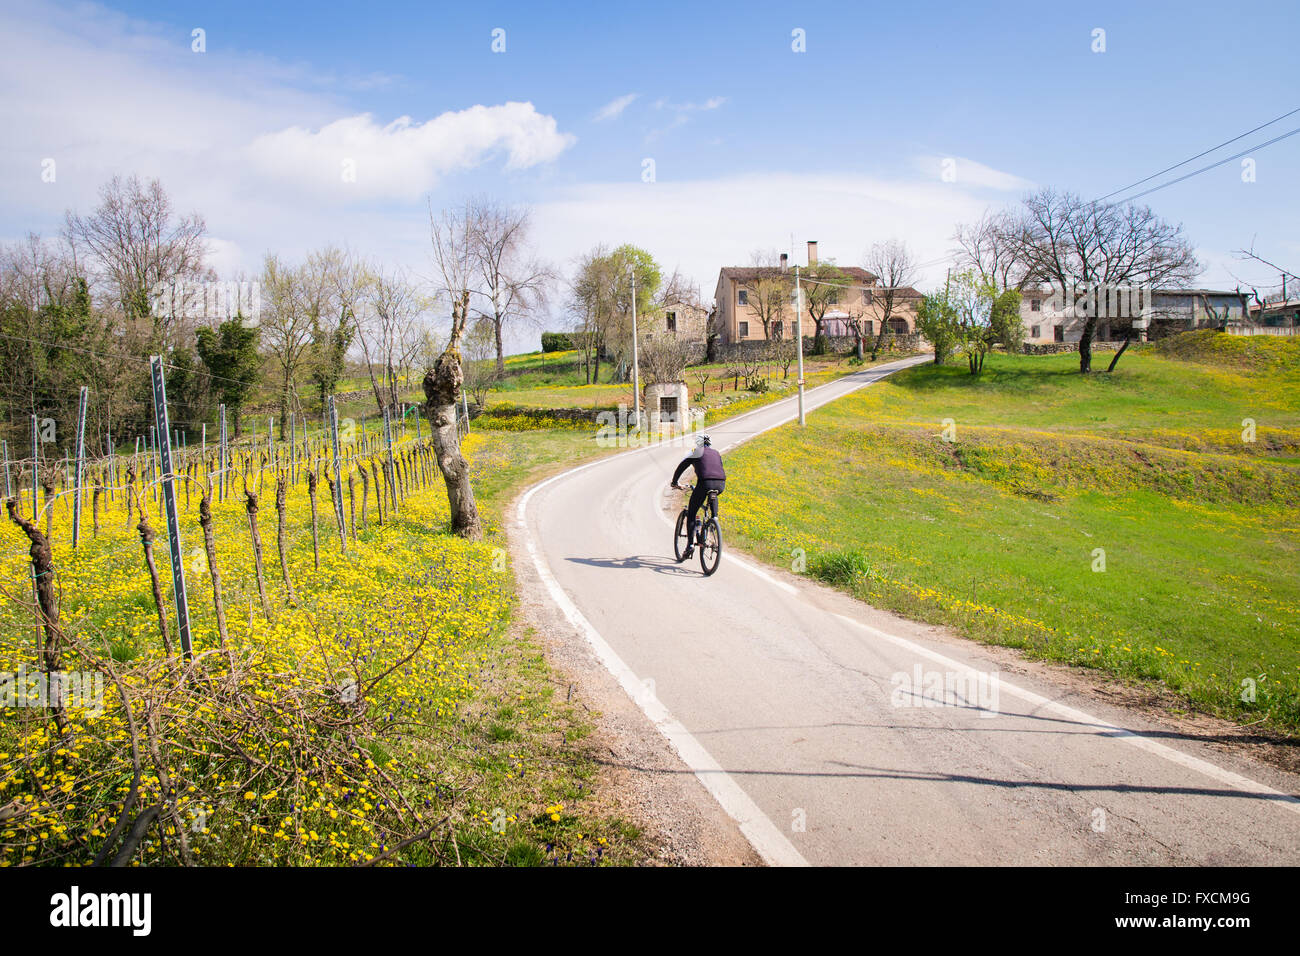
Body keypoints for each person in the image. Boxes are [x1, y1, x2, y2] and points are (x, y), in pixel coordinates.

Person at [670, 434, 726, 560]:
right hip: (721, 483)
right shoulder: (716, 452)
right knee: (712, 494)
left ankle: (690, 545)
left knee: (691, 514)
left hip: (704, 483)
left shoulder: (696, 452)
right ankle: (714, 520)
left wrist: (675, 482)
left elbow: (682, 466)